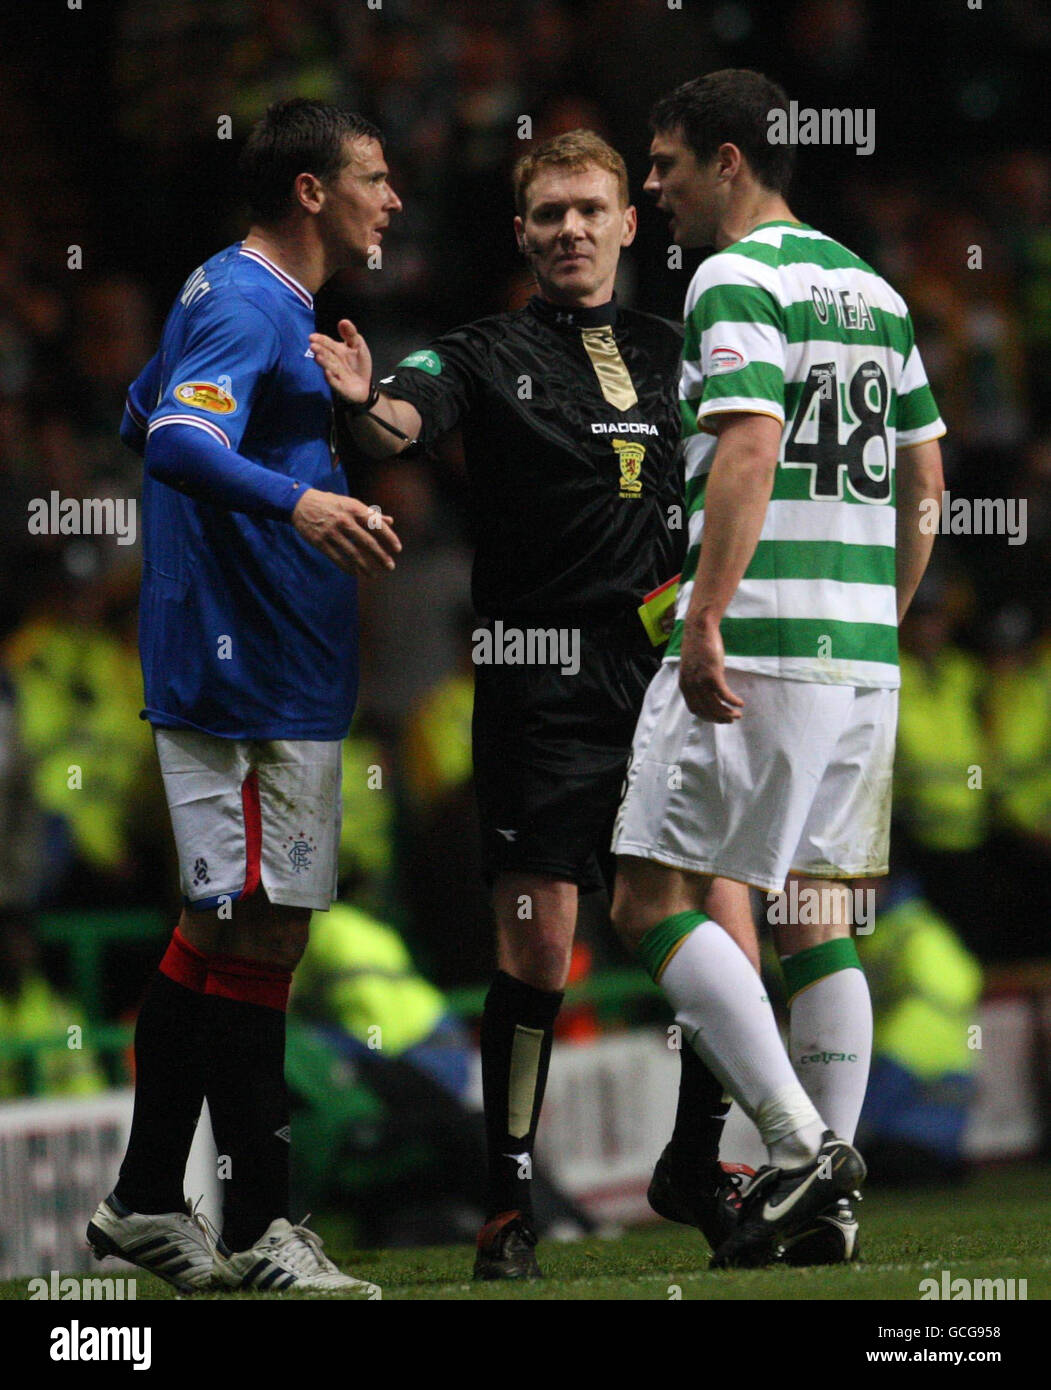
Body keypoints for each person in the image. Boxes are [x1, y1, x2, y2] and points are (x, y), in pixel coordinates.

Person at [309, 129, 749, 1279]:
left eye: (588, 209)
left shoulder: (681, 348)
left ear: (623, 222)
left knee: (720, 923)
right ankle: (508, 1198)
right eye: (546, 213)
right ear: (520, 234)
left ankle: (698, 1159)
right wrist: (364, 408)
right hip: (539, 680)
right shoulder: (479, 349)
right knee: (542, 946)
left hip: (668, 676)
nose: (567, 229)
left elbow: (749, 462)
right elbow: (403, 416)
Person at [609, 69, 946, 1268]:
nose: (652, 188)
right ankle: (831, 1212)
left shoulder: (731, 278)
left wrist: (705, 615)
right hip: (859, 657)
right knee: (814, 912)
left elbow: (748, 440)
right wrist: (874, 623)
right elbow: (927, 489)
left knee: (647, 893)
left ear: (731, 162)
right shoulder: (876, 288)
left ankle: (803, 1150)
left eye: (665, 164)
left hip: (753, 640)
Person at [86, 98, 403, 1294]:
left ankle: (144, 1200)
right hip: (245, 671)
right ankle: (268, 1227)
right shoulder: (246, 297)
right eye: (374, 176)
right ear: (313, 191)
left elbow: (139, 406)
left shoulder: (241, 299)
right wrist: (297, 504)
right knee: (260, 928)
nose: (394, 198)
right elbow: (170, 440)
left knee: (229, 924)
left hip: (269, 659)